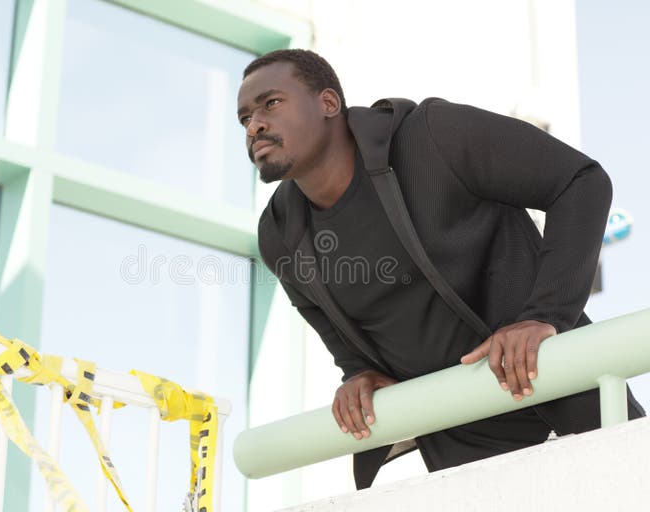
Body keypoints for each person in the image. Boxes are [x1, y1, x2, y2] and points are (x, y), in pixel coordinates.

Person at [236, 49, 645, 489]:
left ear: (329, 104)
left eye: (271, 103)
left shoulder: (431, 136)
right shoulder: (279, 233)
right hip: (464, 455)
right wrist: (357, 370)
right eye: (244, 118)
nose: (255, 124)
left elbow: (580, 181)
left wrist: (544, 314)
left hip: (565, 403)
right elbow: (323, 315)